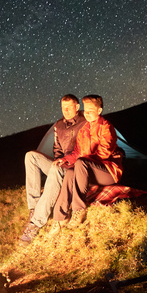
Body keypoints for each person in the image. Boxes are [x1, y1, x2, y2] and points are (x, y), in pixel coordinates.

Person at [18, 94, 86, 244]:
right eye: (63, 108)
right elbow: (57, 149)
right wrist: (58, 160)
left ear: (77, 107)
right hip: (61, 164)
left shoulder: (84, 122)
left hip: (74, 168)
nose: (66, 111)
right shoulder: (58, 125)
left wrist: (64, 162)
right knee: (31, 156)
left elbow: (85, 150)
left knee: (56, 170)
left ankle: (36, 223)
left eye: (69, 107)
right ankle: (34, 208)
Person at [51, 94, 124, 231]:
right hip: (89, 169)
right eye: (86, 110)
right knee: (70, 172)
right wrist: (64, 159)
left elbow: (104, 154)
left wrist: (82, 161)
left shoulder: (106, 127)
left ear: (99, 111)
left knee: (81, 163)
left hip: (108, 171)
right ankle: (60, 218)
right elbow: (77, 153)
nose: (87, 114)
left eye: (91, 110)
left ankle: (79, 210)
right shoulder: (84, 129)